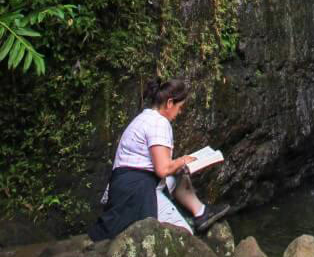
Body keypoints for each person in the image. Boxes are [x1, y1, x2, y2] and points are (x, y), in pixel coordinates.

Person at [89, 78, 229, 241]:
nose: (180, 112)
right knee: (183, 235)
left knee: (179, 173)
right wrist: (183, 160)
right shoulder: (158, 123)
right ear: (170, 103)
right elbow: (162, 169)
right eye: (180, 107)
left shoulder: (144, 118)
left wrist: (180, 165)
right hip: (136, 189)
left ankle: (201, 213)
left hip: (127, 183)